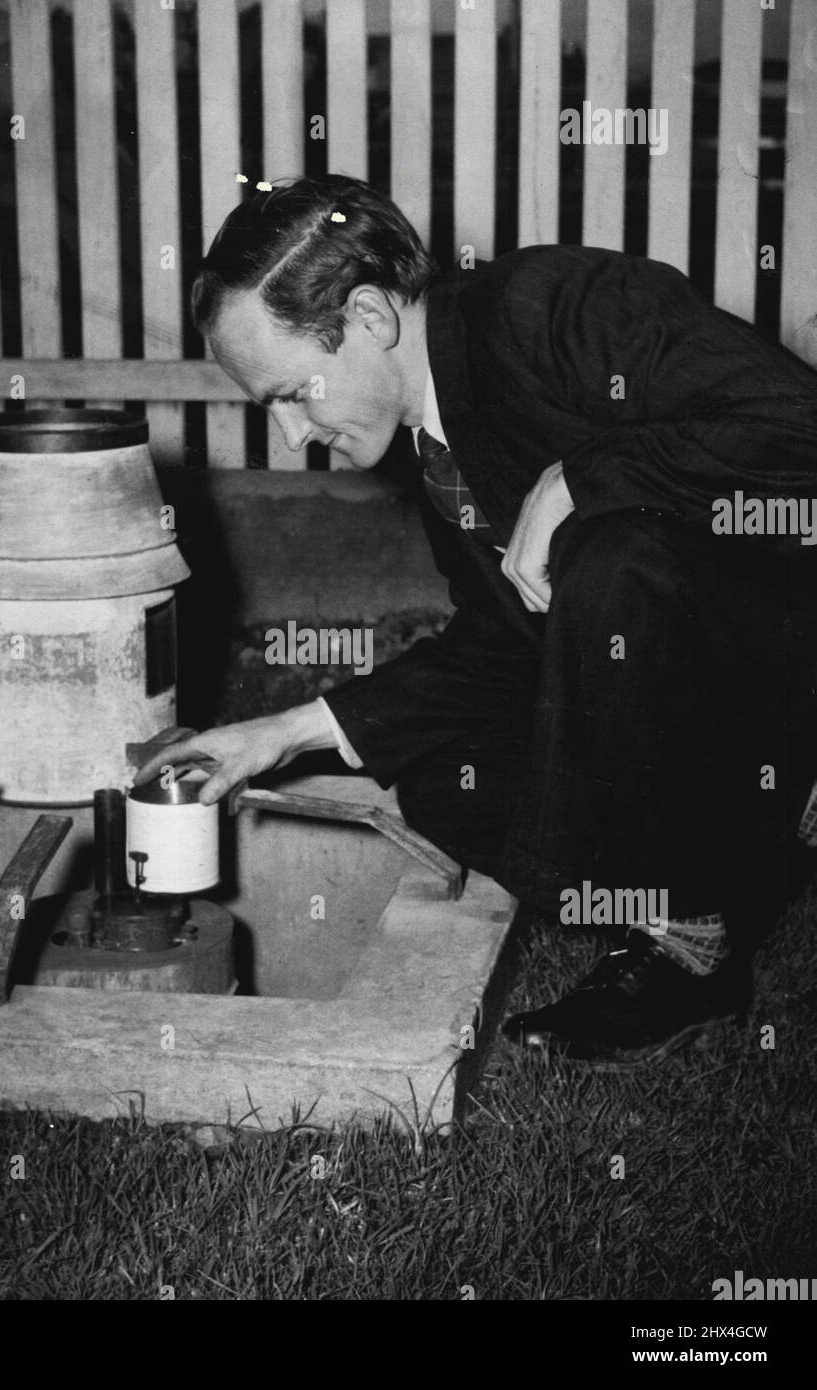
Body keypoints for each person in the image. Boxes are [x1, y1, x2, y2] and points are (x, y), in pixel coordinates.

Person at [136, 174, 817, 1067]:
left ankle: (690, 945)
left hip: (780, 642)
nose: (293, 434)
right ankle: (742, 855)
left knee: (611, 559)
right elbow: (504, 645)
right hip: (684, 681)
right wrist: (281, 734)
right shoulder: (435, 443)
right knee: (443, 776)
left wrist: (584, 479)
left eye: (290, 393)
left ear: (372, 317)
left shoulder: (557, 308)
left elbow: (799, 422)